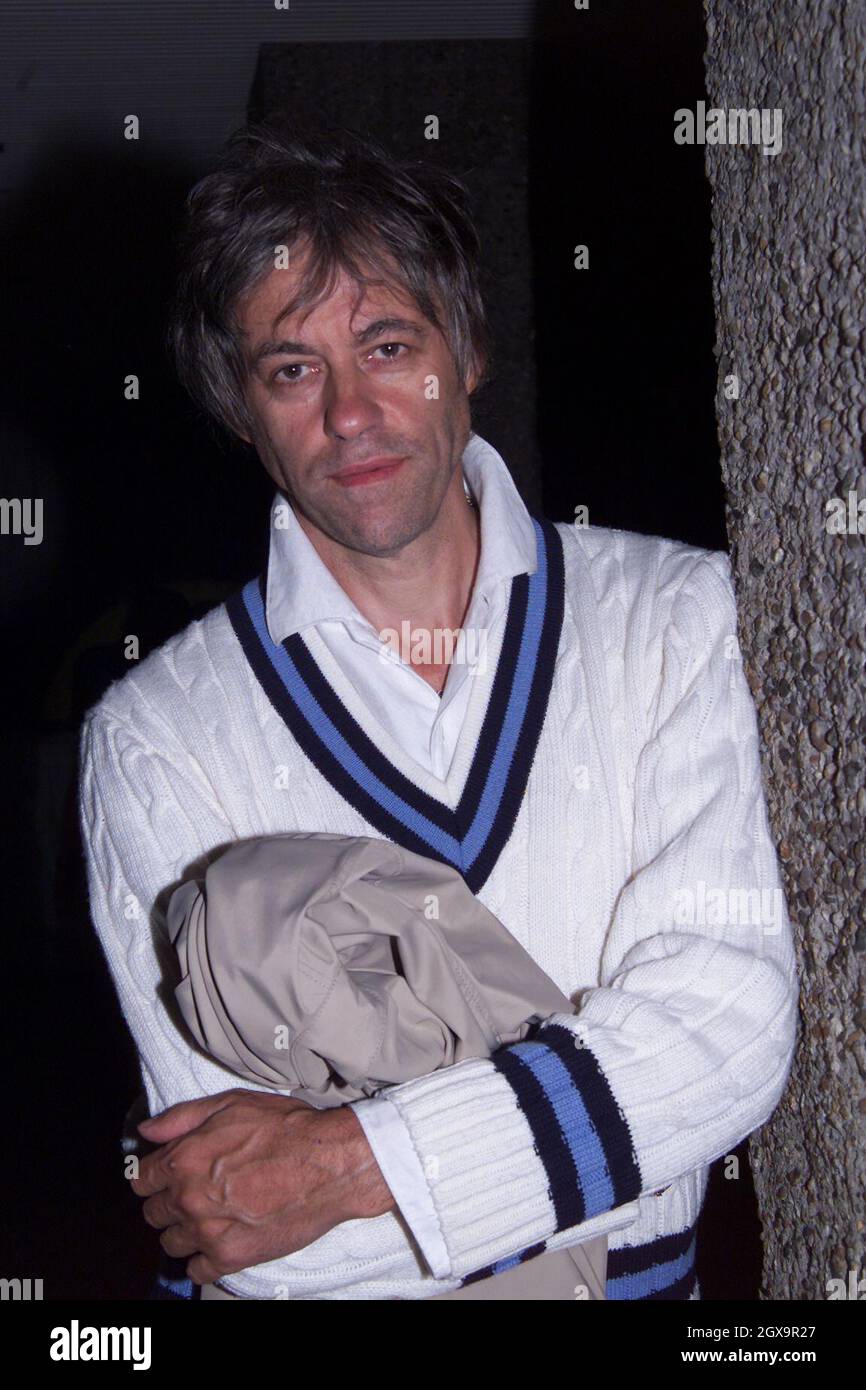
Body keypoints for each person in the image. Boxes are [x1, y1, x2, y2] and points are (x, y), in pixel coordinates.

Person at [77, 115, 799, 1301]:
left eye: (387, 343)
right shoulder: (154, 737)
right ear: (240, 407)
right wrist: (586, 1141)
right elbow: (241, 1224)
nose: (350, 414)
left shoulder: (669, 618)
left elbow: (723, 1027)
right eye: (291, 369)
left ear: (464, 351)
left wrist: (360, 1160)